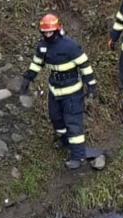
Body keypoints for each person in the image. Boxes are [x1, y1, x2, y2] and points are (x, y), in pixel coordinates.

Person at [17, 13, 103, 170]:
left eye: (50, 32)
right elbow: (36, 64)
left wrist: (91, 85)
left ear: (57, 30)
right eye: (45, 32)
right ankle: (64, 141)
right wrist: (27, 79)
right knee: (56, 118)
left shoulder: (70, 46)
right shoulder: (42, 47)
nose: (48, 35)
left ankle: (77, 156)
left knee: (73, 123)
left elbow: (84, 65)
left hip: (72, 93)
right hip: (55, 91)